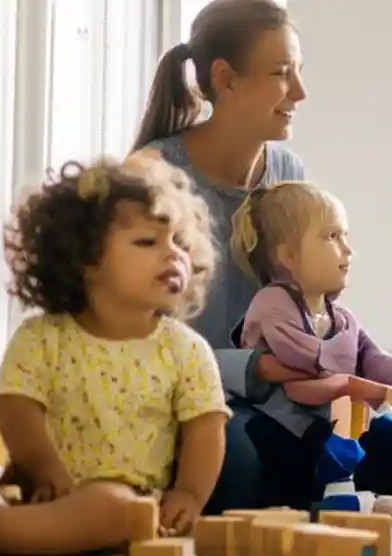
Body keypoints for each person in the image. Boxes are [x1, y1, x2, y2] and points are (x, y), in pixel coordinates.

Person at [0, 158, 228, 556]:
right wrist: (43, 467)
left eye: (179, 244)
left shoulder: (186, 349)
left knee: (110, 506)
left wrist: (188, 494)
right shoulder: (43, 336)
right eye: (147, 242)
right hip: (42, 492)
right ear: (86, 260)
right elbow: (15, 405)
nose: (173, 255)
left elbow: (206, 428)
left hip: (130, 506)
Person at [130, 0, 317, 512]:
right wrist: (249, 367)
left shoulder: (290, 171)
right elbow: (129, 335)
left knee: (359, 453)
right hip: (180, 398)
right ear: (226, 79)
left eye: (298, 72)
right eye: (282, 74)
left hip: (271, 397)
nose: (300, 92)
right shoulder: (151, 175)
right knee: (241, 466)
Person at [229, 181, 392, 519]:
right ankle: (352, 500)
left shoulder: (342, 317)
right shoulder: (271, 303)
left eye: (345, 236)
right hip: (288, 426)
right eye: (332, 237)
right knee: (319, 445)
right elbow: (303, 358)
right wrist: (354, 382)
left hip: (337, 418)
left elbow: (374, 359)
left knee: (390, 427)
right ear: (289, 256)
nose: (348, 250)